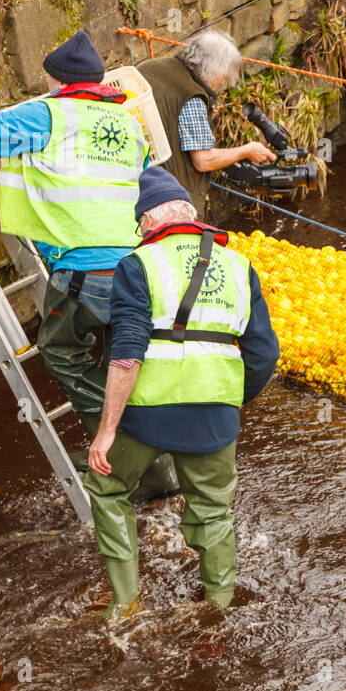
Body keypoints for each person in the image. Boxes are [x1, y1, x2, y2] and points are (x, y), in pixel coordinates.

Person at [0, 30, 176, 500]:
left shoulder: (50, 113)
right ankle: (158, 467)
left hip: (86, 266)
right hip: (141, 264)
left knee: (60, 350)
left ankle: (122, 454)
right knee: (129, 362)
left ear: (59, 81)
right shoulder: (128, 122)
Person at [84, 166, 279, 615]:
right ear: (190, 214)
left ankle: (125, 602)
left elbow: (127, 353)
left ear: (149, 221)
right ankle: (218, 607)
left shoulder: (139, 264)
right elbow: (265, 353)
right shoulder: (240, 265)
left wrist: (107, 430)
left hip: (147, 416)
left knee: (107, 486)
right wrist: (230, 399)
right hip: (214, 417)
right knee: (214, 511)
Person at [138, 31, 276, 219]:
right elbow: (203, 161)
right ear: (210, 67)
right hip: (170, 200)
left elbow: (164, 111)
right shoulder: (191, 96)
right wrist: (247, 150)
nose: (221, 82)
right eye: (222, 75)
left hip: (137, 181)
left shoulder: (148, 67)